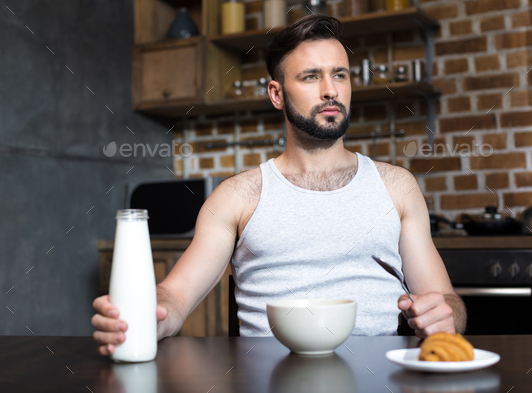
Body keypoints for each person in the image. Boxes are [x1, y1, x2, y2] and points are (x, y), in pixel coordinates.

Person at [92, 14, 466, 356]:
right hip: (267, 379)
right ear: (276, 94)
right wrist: (146, 316)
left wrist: (445, 315)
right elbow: (175, 295)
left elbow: (448, 303)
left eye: (340, 75)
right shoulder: (237, 197)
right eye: (310, 76)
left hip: (379, 377)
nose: (330, 90)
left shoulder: (397, 187)